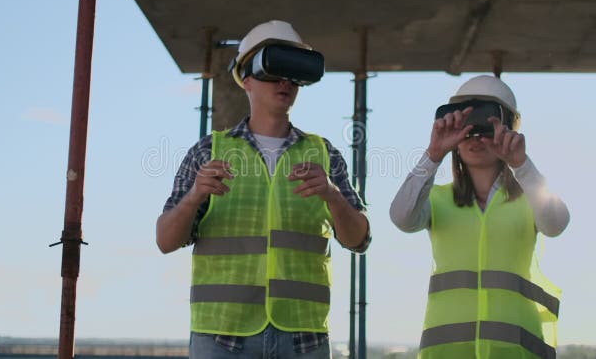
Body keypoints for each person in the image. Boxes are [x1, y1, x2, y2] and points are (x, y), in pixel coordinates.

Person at [157, 20, 370, 359]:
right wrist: (194, 196)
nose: (285, 82)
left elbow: (360, 240)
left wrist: (331, 194)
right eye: (273, 70)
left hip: (304, 338)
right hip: (223, 337)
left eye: (293, 73)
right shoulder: (207, 153)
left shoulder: (325, 155)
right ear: (247, 79)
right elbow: (166, 241)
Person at [389, 75, 569, 359]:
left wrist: (521, 164)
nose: (475, 137)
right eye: (466, 127)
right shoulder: (435, 199)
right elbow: (401, 217)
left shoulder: (530, 198)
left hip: (516, 351)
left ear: (507, 130)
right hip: (446, 352)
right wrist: (433, 154)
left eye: (486, 127)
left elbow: (557, 224)